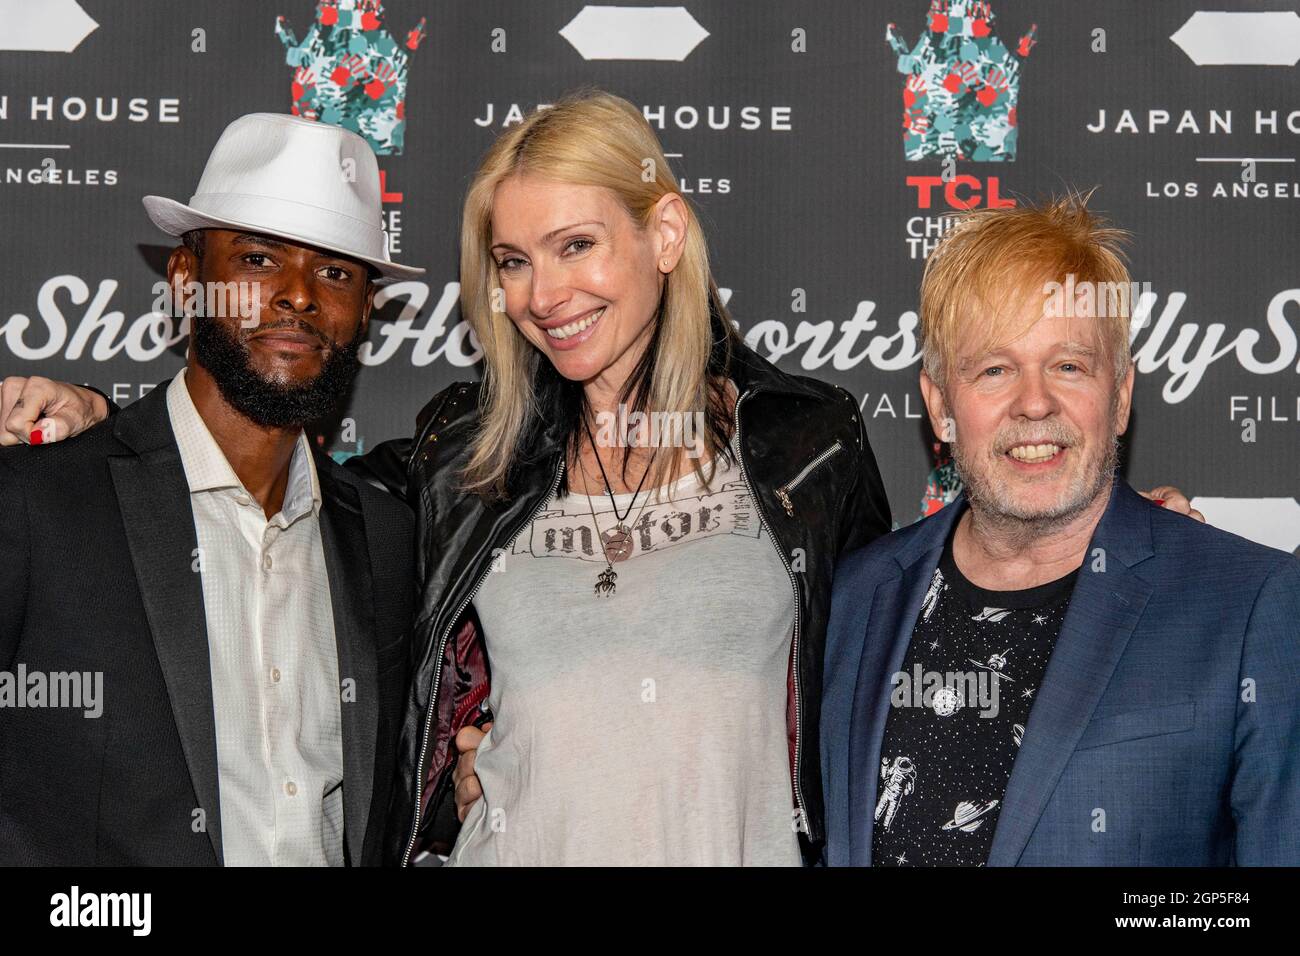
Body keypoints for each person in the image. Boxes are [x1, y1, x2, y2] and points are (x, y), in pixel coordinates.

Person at [3, 94, 1199, 867]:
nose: (544, 292)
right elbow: (261, 467)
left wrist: (1108, 545)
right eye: (514, 260)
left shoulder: (806, 443)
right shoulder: (463, 451)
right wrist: (111, 416)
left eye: (578, 245)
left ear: (663, 233)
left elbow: (905, 631)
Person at [820, 196, 1300, 867]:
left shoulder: (1251, 606)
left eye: (1068, 365)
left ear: (1122, 395)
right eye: (995, 369)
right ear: (939, 406)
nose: (1035, 401)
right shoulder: (853, 602)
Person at [0, 112, 420, 865]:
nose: (298, 295)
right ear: (188, 279)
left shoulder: (385, 538)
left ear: (364, 310)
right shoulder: (39, 500)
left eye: (335, 272)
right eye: (259, 260)